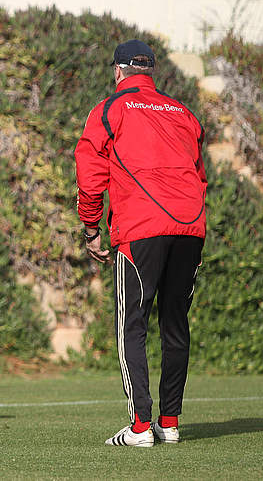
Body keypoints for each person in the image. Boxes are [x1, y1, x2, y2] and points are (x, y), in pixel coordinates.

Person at [74, 39, 207, 447]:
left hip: (141, 228)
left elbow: (90, 170)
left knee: (132, 325)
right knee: (175, 325)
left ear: (118, 71)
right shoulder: (183, 112)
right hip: (190, 228)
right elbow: (199, 174)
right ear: (150, 72)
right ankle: (170, 423)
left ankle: (140, 428)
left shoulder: (110, 109)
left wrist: (91, 227)